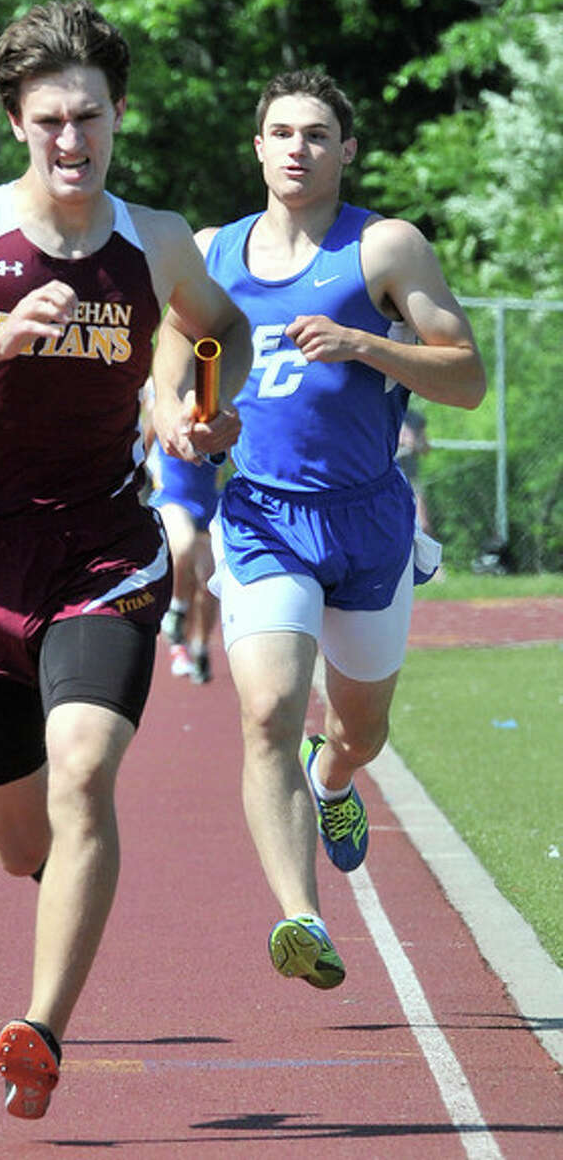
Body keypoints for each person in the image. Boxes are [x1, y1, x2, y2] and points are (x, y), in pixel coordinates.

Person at [0, 0, 250, 1119]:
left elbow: (218, 329)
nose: (75, 142)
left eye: (94, 118)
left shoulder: (156, 238)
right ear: (16, 120)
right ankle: (65, 876)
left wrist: (194, 406)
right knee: (21, 835)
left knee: (84, 774)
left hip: (106, 553)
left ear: (120, 116)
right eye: (52, 120)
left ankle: (41, 1032)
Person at [156, 70, 485, 992]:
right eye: (280, 132)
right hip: (262, 516)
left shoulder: (385, 248)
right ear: (256, 147)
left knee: (361, 730)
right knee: (266, 709)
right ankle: (301, 916)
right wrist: (178, 419)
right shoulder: (212, 251)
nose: (296, 147)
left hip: (369, 518)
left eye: (316, 133)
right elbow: (171, 362)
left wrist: (366, 345)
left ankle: (333, 777)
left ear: (346, 150)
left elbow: (464, 377)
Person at [150, 454, 220, 683]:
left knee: (209, 584)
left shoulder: (224, 418)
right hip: (172, 500)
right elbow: (140, 444)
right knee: (184, 543)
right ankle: (176, 610)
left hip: (208, 505)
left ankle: (199, 648)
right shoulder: (158, 417)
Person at [397, 407, 432, 535]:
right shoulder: (387, 415)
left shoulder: (415, 420)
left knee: (423, 525)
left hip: (411, 480)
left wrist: (415, 444)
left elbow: (426, 448)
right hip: (391, 480)